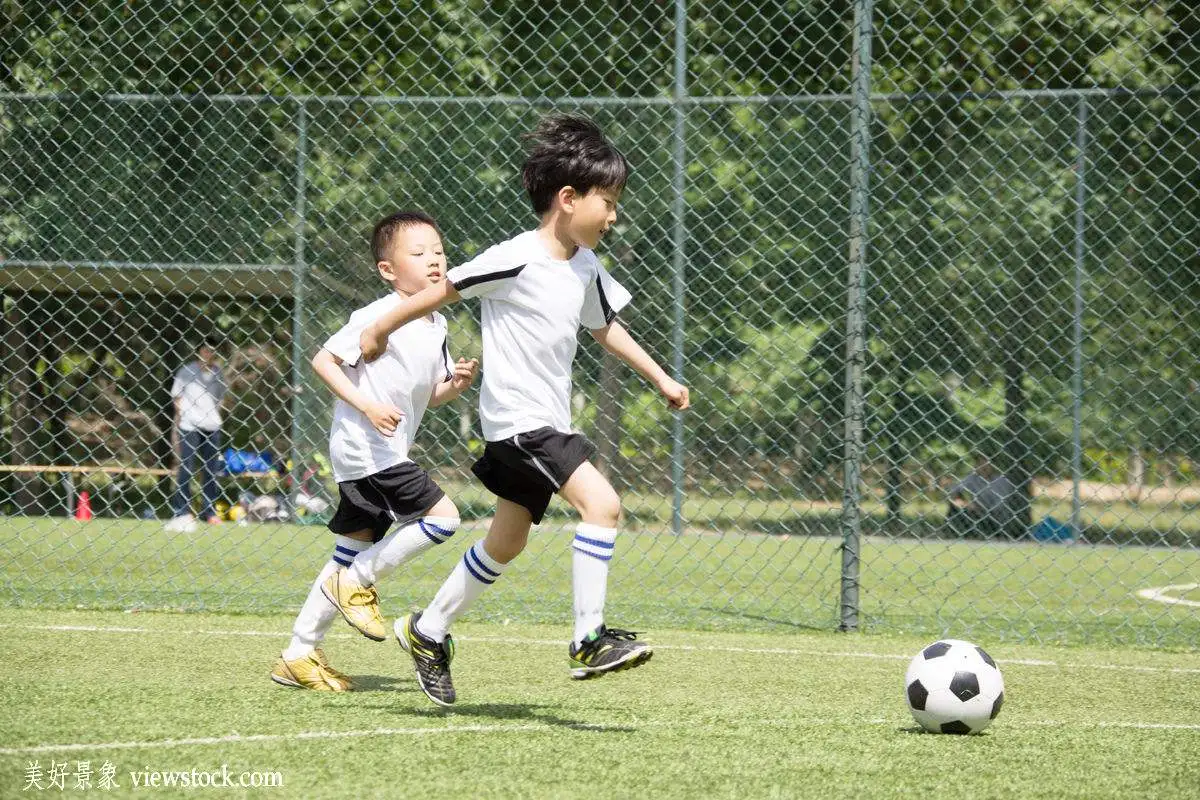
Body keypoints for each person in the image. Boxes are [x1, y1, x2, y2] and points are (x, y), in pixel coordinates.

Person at [358, 113, 691, 706]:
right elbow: (443, 290)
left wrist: (661, 376)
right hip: (520, 424)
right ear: (568, 199)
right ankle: (588, 638)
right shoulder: (515, 257)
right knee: (604, 505)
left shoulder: (585, 265)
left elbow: (605, 327)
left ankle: (429, 631)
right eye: (607, 202)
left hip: (541, 426)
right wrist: (381, 325)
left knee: (506, 542)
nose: (614, 216)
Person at [270, 210, 479, 692]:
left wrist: (457, 384)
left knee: (350, 548)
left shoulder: (436, 323)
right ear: (388, 270)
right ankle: (359, 581)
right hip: (368, 451)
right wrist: (366, 404)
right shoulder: (376, 316)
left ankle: (299, 653)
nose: (434, 260)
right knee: (443, 518)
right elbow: (324, 360)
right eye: (419, 253)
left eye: (438, 251)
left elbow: (431, 393)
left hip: (380, 450)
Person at [165, 336, 227, 533]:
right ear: (199, 351)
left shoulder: (218, 373)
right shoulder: (186, 371)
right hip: (189, 425)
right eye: (206, 349)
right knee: (187, 468)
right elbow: (177, 396)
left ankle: (209, 511)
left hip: (212, 425)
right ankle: (181, 511)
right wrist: (182, 416)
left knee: (211, 469)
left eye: (212, 350)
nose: (209, 353)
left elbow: (220, 398)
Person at [946, 455, 1021, 539]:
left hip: (995, 516)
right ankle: (953, 534)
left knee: (984, 516)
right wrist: (961, 501)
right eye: (980, 464)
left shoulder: (1001, 481)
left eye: (986, 464)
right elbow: (954, 490)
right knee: (954, 506)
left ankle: (988, 534)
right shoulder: (973, 478)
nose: (983, 467)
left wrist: (979, 508)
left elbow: (999, 506)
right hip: (976, 511)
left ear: (993, 466)